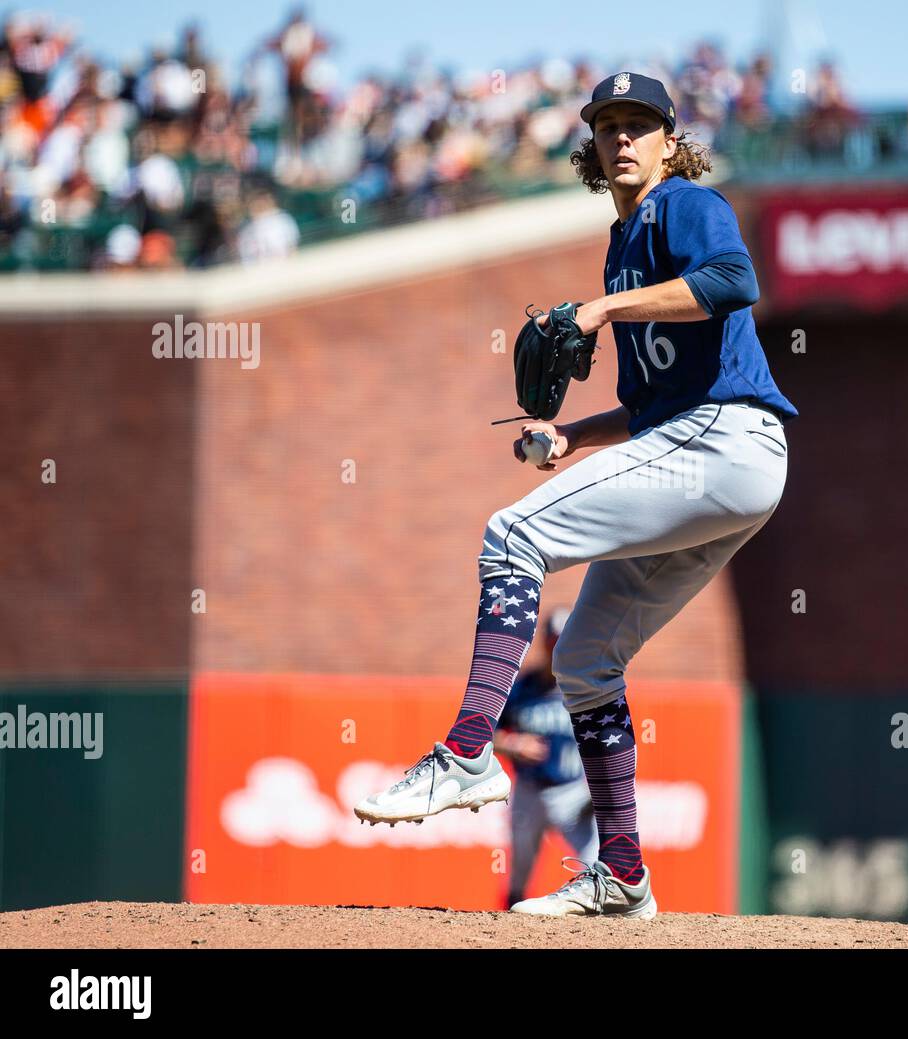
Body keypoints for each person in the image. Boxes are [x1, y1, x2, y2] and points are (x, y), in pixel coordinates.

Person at [354, 71, 796, 918]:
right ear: (593, 147)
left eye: (640, 124)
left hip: (728, 438)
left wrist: (599, 310)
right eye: (609, 126)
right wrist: (570, 438)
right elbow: (648, 407)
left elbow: (736, 281)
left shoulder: (683, 207)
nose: (623, 138)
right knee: (589, 663)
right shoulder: (623, 241)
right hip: (706, 452)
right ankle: (623, 872)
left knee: (510, 536)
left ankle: (466, 752)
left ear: (670, 141)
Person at [494, 607, 599, 909]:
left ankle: (601, 929)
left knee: (594, 862)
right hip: (529, 792)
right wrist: (513, 744)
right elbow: (487, 733)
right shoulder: (525, 687)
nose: (559, 647)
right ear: (545, 642)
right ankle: (510, 929)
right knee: (519, 871)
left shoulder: (586, 687)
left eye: (565, 640)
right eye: (554, 640)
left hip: (571, 791)